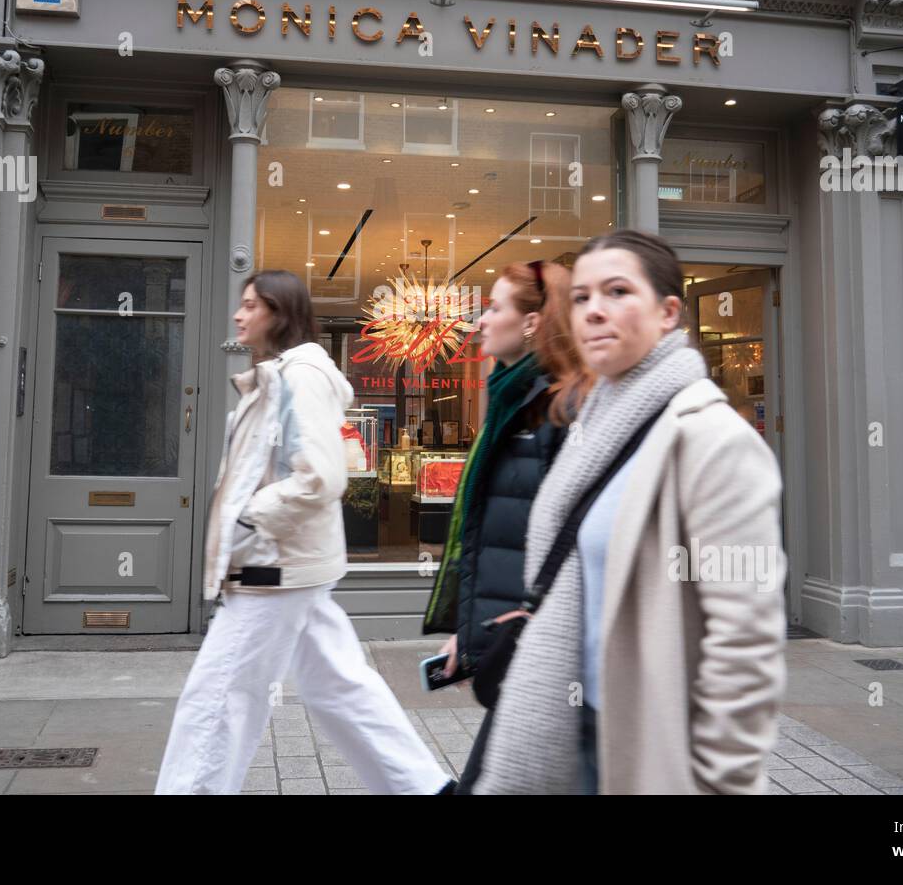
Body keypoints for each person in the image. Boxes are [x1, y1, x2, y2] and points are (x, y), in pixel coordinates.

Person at [473, 230, 786, 795]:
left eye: (617, 292)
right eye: (583, 296)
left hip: (653, 748)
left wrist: (721, 780)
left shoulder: (713, 441)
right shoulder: (591, 426)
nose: (594, 311)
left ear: (669, 313)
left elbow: (746, 642)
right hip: (575, 723)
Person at [156, 270, 452, 795]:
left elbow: (321, 475)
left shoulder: (301, 376)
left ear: (279, 312)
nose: (238, 314)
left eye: (250, 305)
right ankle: (426, 788)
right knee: (339, 688)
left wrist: (250, 514)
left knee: (218, 698)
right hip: (288, 569)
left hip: (273, 570)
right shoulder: (282, 375)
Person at [421, 260, 588, 793]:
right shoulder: (512, 402)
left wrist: (531, 620)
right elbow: (497, 537)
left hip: (546, 644)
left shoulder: (558, 410)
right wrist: (471, 636)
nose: (480, 321)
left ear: (534, 323)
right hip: (522, 637)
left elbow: (573, 535)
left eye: (495, 308)